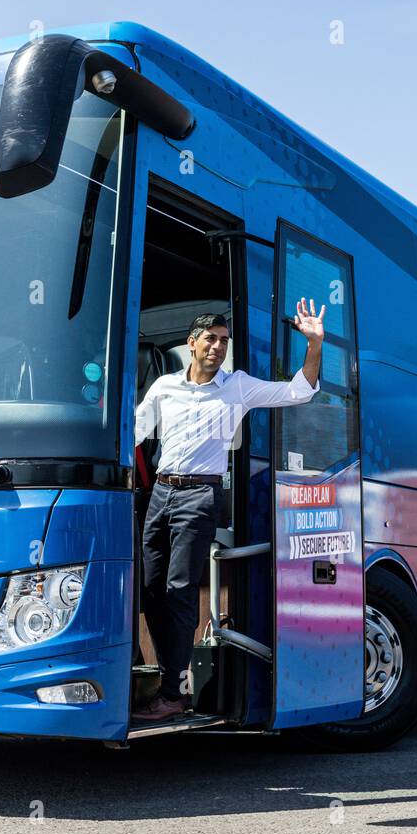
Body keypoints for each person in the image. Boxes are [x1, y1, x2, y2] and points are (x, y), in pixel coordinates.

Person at [132, 298, 325, 722]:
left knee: (180, 590)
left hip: (200, 498)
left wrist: (314, 345)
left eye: (224, 341)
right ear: (192, 343)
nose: (218, 347)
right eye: (210, 339)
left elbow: (299, 392)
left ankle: (172, 692)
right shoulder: (164, 387)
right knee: (149, 590)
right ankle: (164, 675)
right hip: (160, 495)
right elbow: (133, 433)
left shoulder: (237, 385)